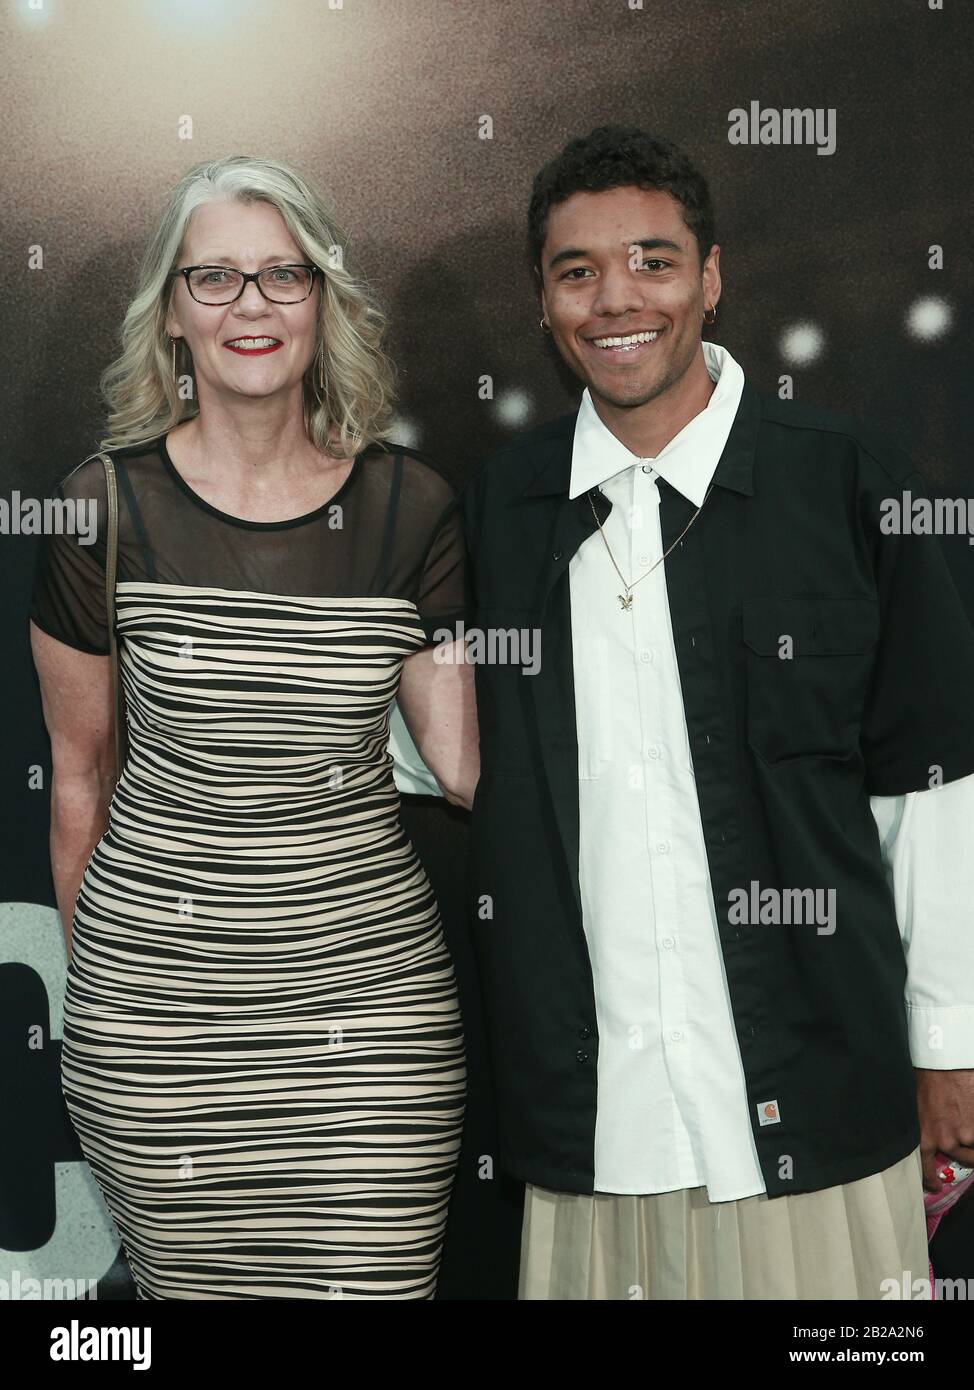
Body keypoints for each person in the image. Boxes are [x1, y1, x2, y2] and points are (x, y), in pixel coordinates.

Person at [459, 126, 974, 1299]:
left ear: (710, 276)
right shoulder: (506, 505)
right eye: (575, 270)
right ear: (542, 301)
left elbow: (933, 781)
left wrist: (948, 1043)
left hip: (814, 1093)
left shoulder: (841, 478)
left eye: (651, 259)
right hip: (596, 1119)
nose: (614, 300)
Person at [28, 155, 479, 1300]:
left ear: (323, 300)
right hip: (159, 1027)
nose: (251, 306)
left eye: (283, 274)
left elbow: (466, 767)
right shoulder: (101, 508)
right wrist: (107, 997)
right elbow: (78, 781)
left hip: (365, 1024)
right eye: (216, 277)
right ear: (170, 311)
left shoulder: (407, 507)